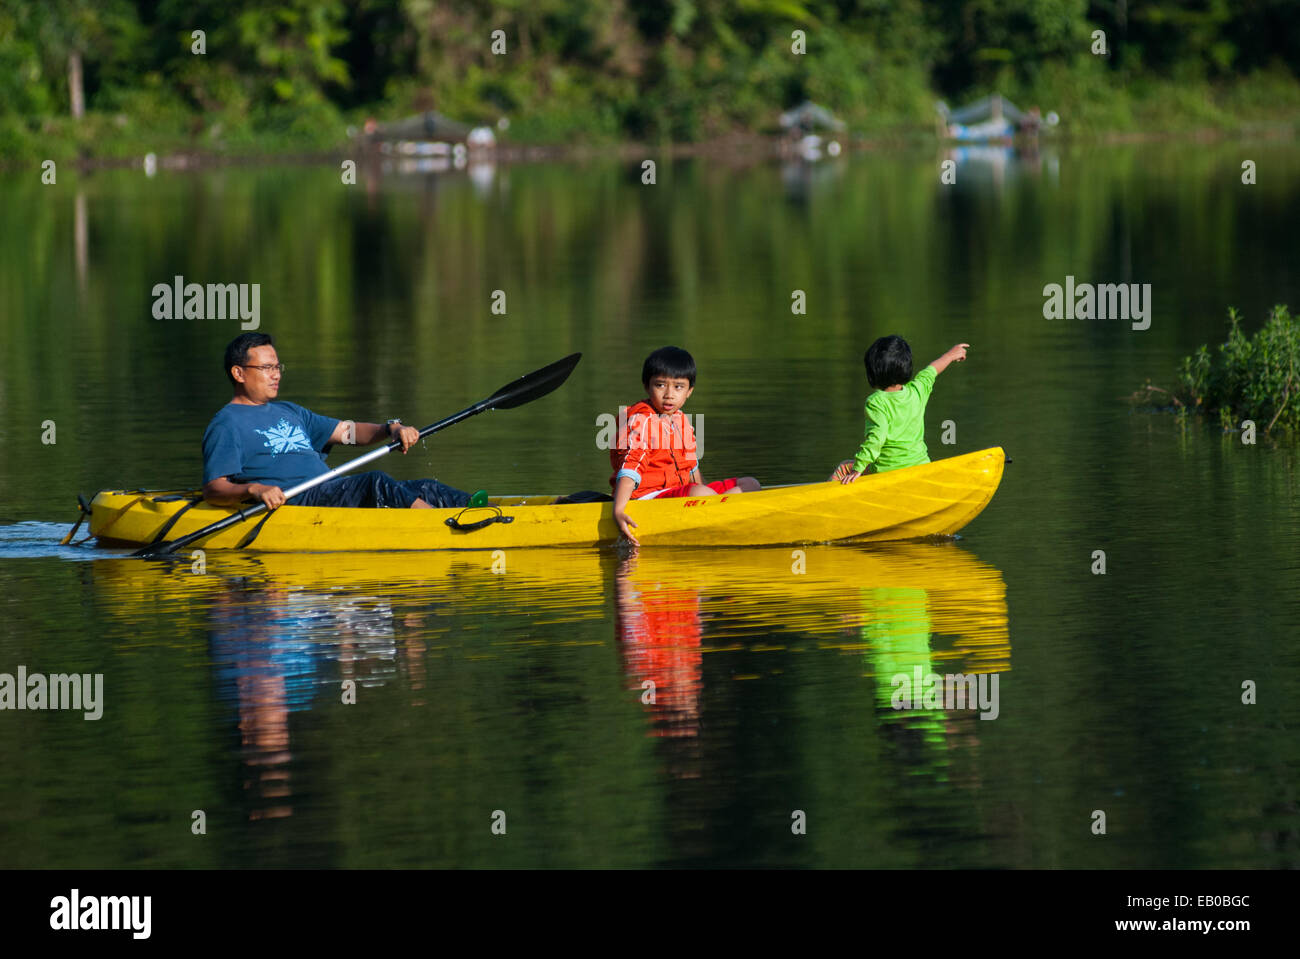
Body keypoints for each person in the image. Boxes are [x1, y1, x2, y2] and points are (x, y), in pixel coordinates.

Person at [202, 333, 475, 511]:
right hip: (301, 503)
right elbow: (214, 489)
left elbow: (348, 431)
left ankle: (484, 512)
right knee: (375, 482)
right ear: (238, 373)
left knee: (427, 487)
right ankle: (442, 528)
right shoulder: (226, 424)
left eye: (277, 367)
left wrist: (392, 428)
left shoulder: (289, 411)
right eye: (266, 368)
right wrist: (254, 488)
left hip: (331, 492)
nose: (276, 375)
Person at [609, 346, 759, 545]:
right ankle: (732, 517)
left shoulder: (680, 420)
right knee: (702, 493)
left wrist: (706, 492)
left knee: (750, 484)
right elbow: (630, 470)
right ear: (647, 386)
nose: (669, 394)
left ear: (689, 391)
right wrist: (619, 510)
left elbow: (692, 468)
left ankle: (727, 513)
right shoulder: (642, 421)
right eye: (660, 385)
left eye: (678, 387)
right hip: (646, 499)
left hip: (678, 494)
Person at [833, 337, 970, 483]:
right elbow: (932, 370)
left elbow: (876, 438)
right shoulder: (918, 390)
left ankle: (825, 499)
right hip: (920, 467)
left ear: (873, 373)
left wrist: (857, 469)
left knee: (844, 467)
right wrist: (950, 355)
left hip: (887, 472)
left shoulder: (876, 402)